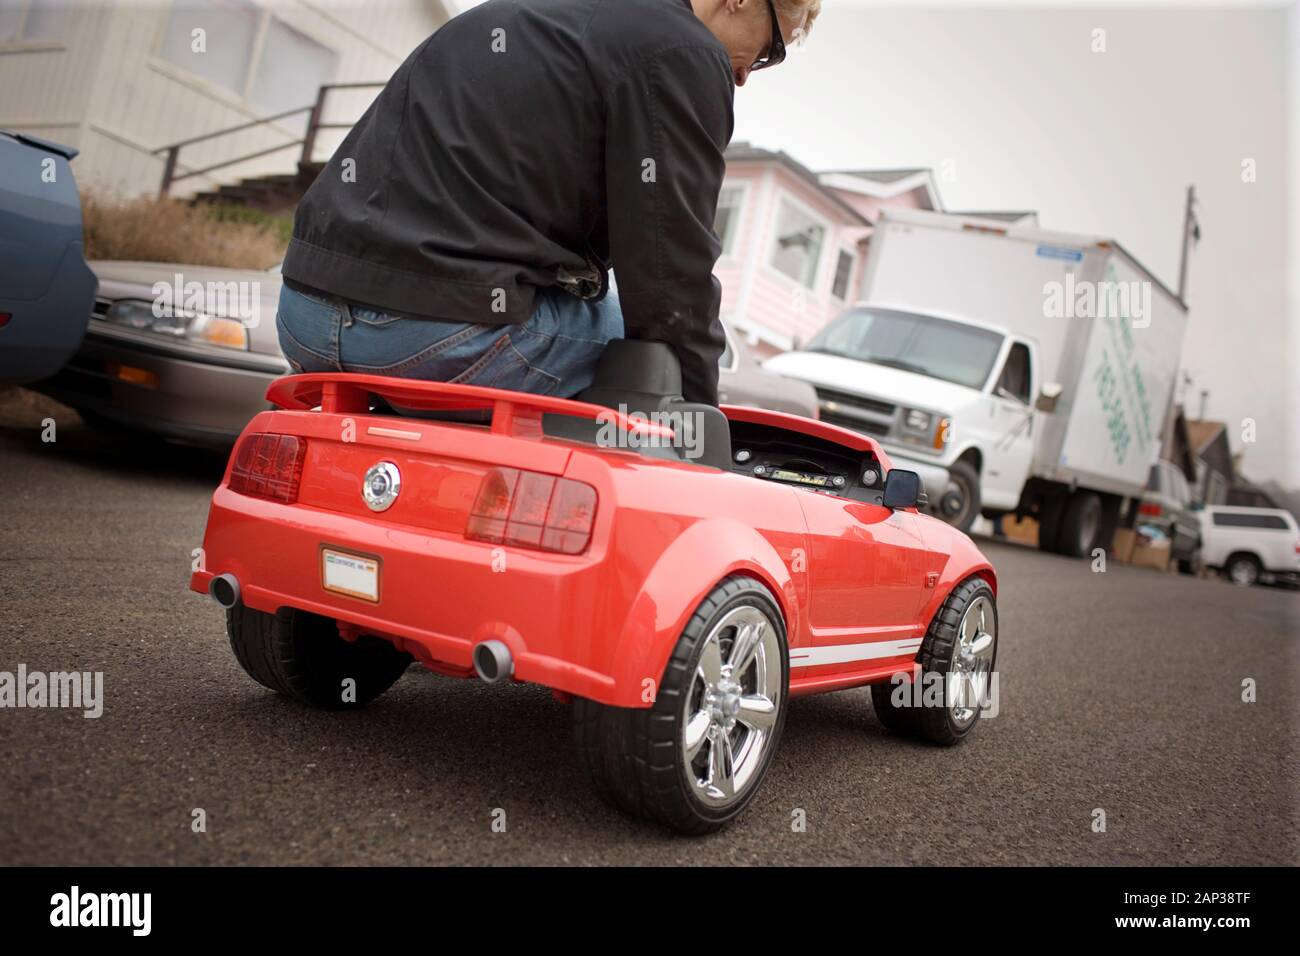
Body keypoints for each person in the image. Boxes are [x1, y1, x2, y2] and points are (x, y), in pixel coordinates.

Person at [276, 0, 819, 406]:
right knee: (645, 348)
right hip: (433, 335)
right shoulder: (683, 51)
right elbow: (672, 276)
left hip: (303, 311)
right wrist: (699, 425)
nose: (748, 74)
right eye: (772, 49)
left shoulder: (536, 13)